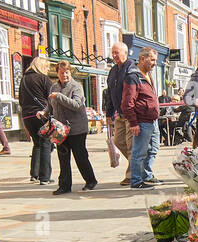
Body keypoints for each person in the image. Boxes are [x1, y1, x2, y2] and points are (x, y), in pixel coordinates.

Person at [46, 61, 97, 195]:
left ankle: (91, 180)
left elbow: (77, 105)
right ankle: (64, 186)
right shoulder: (54, 87)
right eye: (61, 73)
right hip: (60, 129)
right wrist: (44, 112)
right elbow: (50, 105)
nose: (64, 75)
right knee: (63, 157)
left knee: (80, 156)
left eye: (67, 72)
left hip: (76, 128)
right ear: (57, 73)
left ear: (70, 72)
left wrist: (60, 96)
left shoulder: (76, 87)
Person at [123, 47, 162, 188]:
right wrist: (133, 123)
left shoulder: (147, 75)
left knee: (153, 149)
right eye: (152, 60)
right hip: (142, 121)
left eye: (155, 60)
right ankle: (136, 181)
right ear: (142, 59)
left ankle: (147, 175)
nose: (154, 63)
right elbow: (127, 103)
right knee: (139, 152)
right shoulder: (133, 77)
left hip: (152, 120)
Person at [18, 55, 54, 185]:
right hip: (41, 114)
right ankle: (45, 177)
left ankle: (34, 174)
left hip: (27, 116)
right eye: (47, 67)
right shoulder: (43, 79)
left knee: (37, 143)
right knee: (45, 143)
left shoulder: (23, 79)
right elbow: (52, 98)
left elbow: (21, 100)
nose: (48, 70)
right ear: (42, 66)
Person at [104, 40, 133, 185]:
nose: (114, 55)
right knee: (118, 141)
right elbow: (109, 93)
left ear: (125, 53)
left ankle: (131, 175)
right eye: (113, 53)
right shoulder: (113, 70)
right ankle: (139, 164)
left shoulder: (131, 68)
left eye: (117, 52)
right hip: (119, 114)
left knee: (131, 144)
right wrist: (109, 113)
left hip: (131, 113)